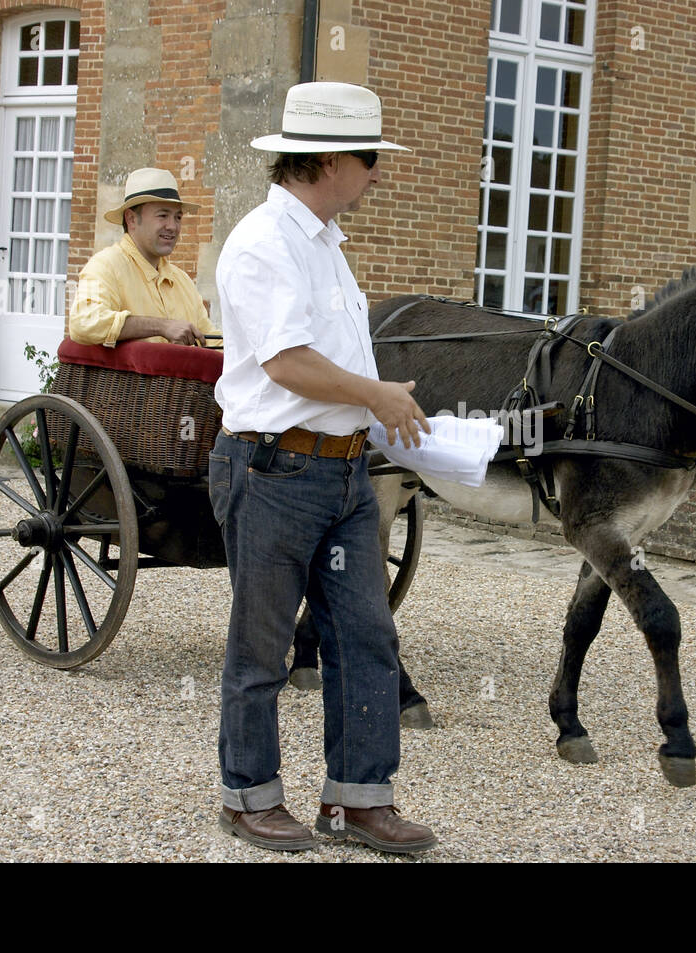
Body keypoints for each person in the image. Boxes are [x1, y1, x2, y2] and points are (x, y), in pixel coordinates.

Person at [209, 82, 436, 854]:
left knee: (368, 636)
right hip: (272, 471)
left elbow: (331, 363)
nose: (378, 174)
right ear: (331, 160)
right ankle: (247, 797)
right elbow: (286, 363)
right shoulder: (264, 241)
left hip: (341, 475)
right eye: (370, 158)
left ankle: (356, 801)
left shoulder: (326, 245)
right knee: (262, 645)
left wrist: (380, 411)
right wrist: (375, 394)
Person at [69, 167, 221, 347]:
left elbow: (211, 341)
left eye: (178, 217)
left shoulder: (183, 281)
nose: (172, 226)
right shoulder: (105, 265)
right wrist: (162, 326)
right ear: (131, 219)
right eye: (163, 215)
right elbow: (84, 322)